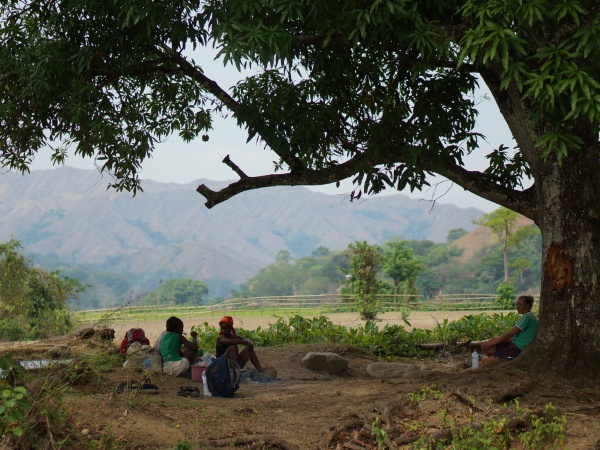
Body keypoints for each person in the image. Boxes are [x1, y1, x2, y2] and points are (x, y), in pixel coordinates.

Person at [478, 295, 538, 368]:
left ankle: (491, 362)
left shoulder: (527, 316)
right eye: (517, 305)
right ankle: (495, 361)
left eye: (520, 305)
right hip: (515, 344)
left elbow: (509, 335)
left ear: (528, 306)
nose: (517, 307)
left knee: (484, 362)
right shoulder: (528, 316)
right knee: (488, 348)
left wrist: (490, 343)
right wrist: (489, 343)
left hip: (517, 348)